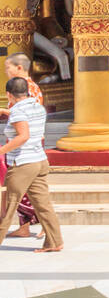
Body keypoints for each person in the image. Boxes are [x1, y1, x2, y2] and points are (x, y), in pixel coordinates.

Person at [0, 77, 62, 253]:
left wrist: (2, 150)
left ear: (8, 94)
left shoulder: (18, 110)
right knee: (43, 205)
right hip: (39, 161)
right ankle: (54, 241)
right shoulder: (37, 106)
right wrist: (7, 112)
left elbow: (23, 136)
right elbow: (25, 119)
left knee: (8, 206)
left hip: (22, 164)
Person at [2, 54, 44, 241]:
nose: (6, 72)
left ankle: (46, 223)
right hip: (21, 144)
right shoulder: (23, 87)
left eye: (8, 68)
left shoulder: (28, 88)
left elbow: (28, 115)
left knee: (23, 188)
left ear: (19, 68)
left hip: (26, 146)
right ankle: (25, 226)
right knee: (25, 189)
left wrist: (4, 111)